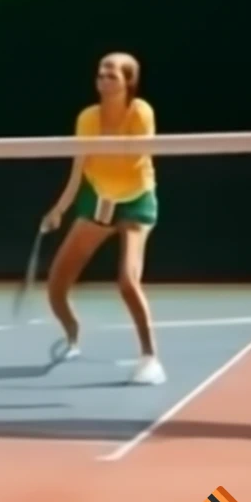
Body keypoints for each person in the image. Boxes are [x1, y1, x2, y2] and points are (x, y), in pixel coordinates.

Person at [41, 52, 165, 386]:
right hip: (100, 199)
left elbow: (137, 155)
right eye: (100, 74)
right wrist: (59, 209)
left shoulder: (140, 113)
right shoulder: (87, 118)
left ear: (128, 83)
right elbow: (79, 168)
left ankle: (150, 358)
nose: (103, 79)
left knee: (127, 280)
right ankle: (72, 337)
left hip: (136, 201)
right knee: (56, 285)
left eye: (112, 75)